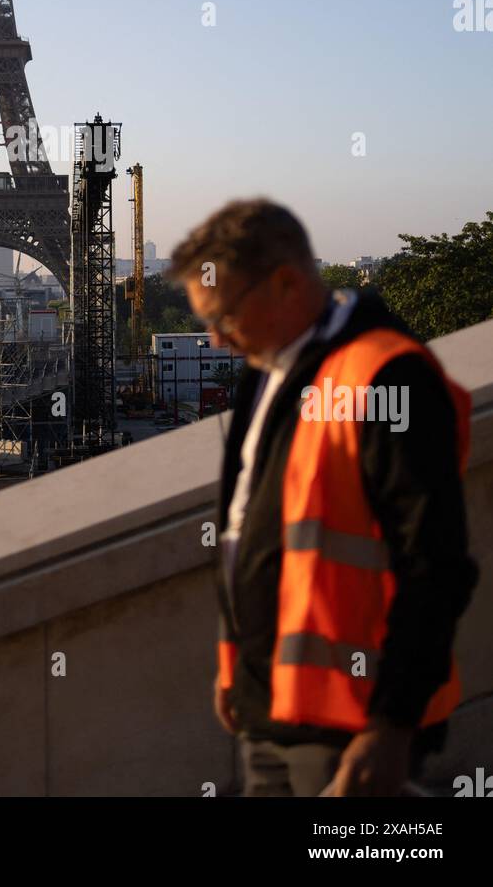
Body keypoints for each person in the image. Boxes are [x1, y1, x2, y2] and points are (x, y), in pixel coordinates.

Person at [168, 198, 478, 797]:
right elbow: (245, 528)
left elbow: (436, 566)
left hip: (353, 720)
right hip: (271, 702)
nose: (213, 339)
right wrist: (236, 668)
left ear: (286, 284)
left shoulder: (389, 377)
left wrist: (391, 727)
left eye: (223, 315)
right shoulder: (268, 368)